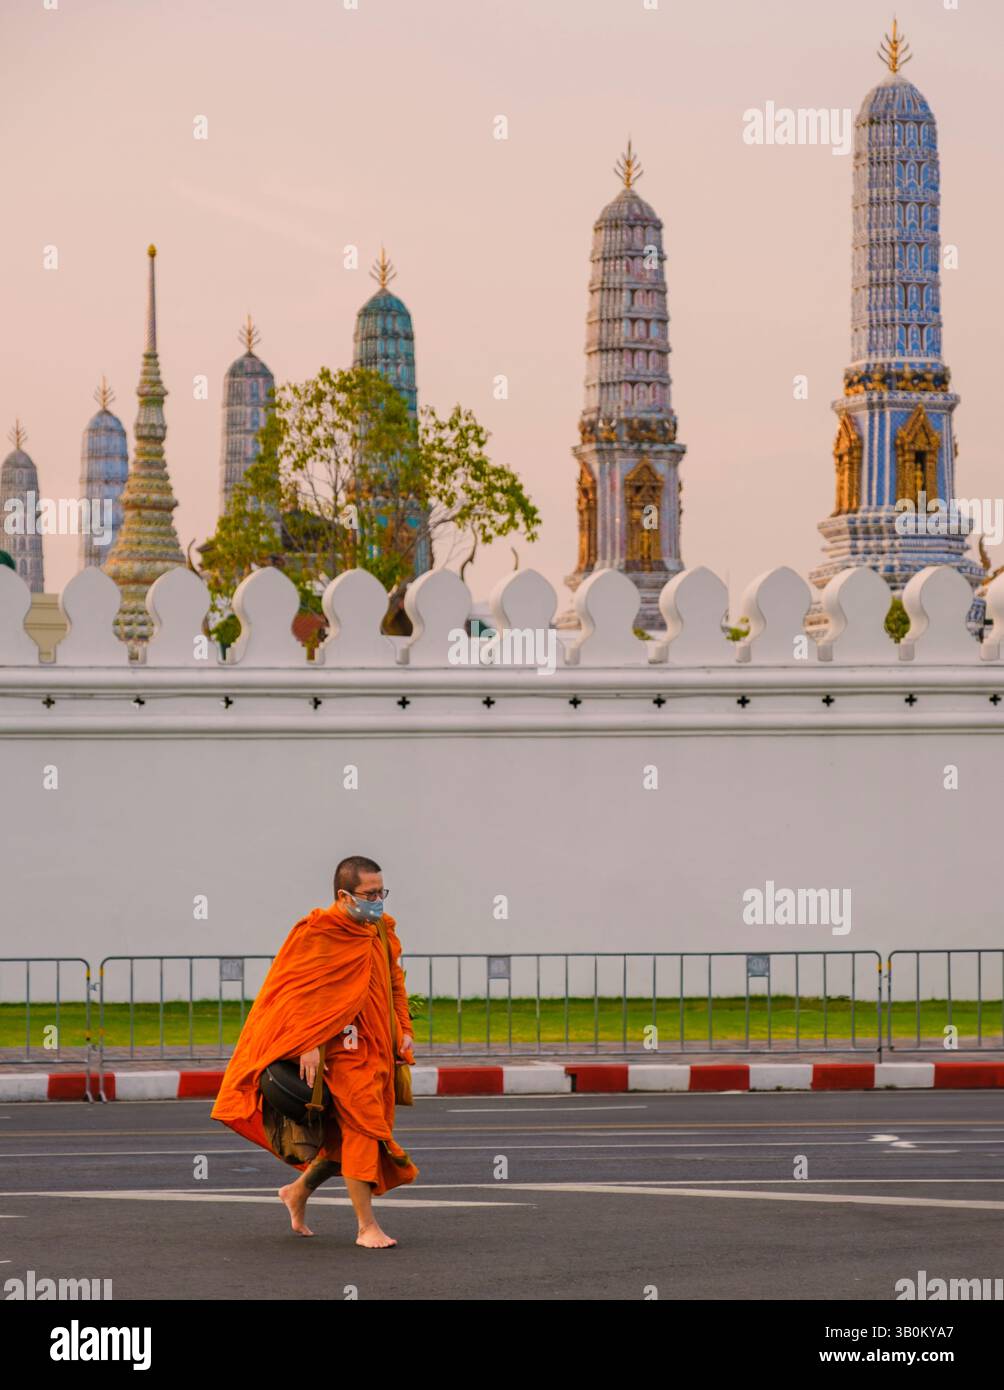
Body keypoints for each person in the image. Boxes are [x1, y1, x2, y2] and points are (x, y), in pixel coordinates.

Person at [211, 856, 418, 1247]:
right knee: (362, 1131)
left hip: (376, 1047)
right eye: (369, 894)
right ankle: (365, 1227)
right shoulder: (317, 932)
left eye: (381, 892)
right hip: (338, 1050)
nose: (378, 901)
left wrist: (403, 1029)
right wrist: (307, 1042)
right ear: (344, 894)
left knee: (344, 1139)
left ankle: (298, 1191)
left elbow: (394, 982)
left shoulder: (379, 930)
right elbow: (296, 993)